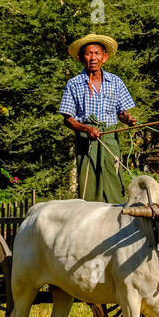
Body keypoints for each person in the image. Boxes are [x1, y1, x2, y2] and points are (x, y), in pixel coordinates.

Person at [59, 33, 137, 204]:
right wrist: (86, 129)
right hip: (86, 142)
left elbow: (121, 112)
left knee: (114, 178)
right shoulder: (74, 83)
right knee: (89, 183)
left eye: (97, 53)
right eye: (88, 54)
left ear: (105, 57)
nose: (93, 58)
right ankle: (89, 222)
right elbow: (68, 118)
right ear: (81, 58)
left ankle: (117, 215)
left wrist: (127, 119)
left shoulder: (115, 82)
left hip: (109, 139)